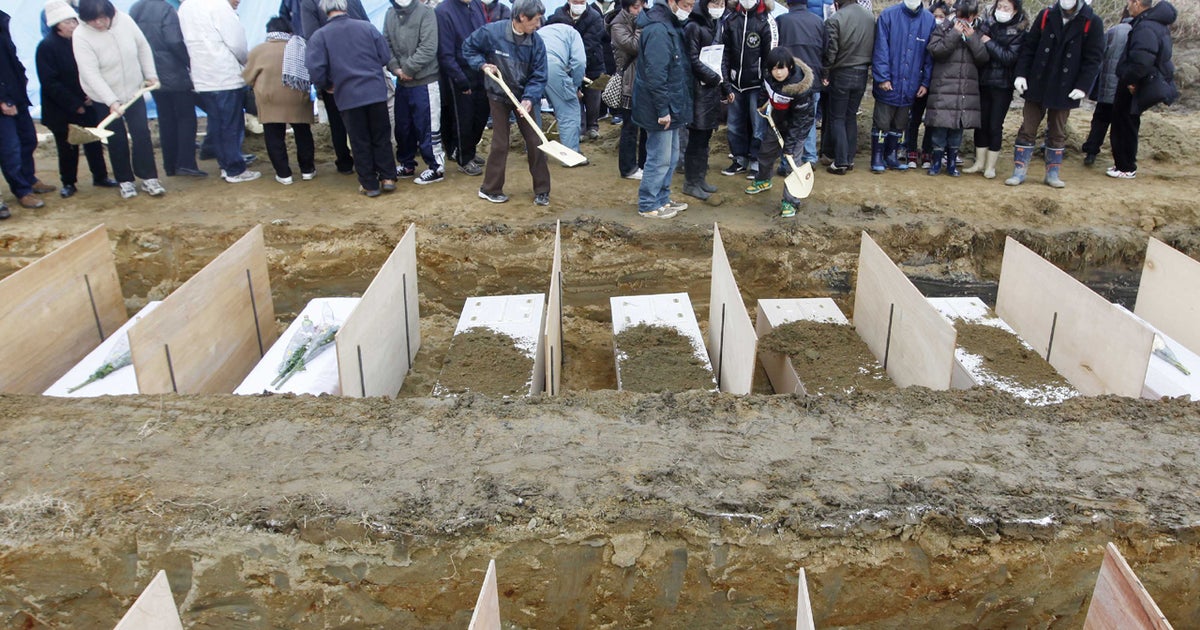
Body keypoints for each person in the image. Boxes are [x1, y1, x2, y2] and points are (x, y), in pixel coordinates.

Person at [463, 0, 552, 206]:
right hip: (498, 93)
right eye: (536, 20)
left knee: (535, 141)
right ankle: (490, 189)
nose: (538, 25)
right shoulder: (493, 33)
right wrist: (482, 64)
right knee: (500, 143)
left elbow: (539, 75)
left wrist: (529, 99)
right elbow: (468, 47)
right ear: (522, 17)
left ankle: (542, 190)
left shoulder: (536, 43)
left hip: (524, 96)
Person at [74, 0, 165, 200]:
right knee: (116, 138)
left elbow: (142, 47)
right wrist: (111, 101)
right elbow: (90, 73)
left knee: (141, 133)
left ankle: (149, 177)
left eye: (102, 18)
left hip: (133, 90)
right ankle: (125, 181)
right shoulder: (81, 36)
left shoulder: (125, 21)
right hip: (103, 96)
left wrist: (150, 74)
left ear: (110, 13)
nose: (98, 23)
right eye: (92, 20)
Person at [1007, 0, 1103, 188]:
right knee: (1028, 126)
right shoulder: (1046, 15)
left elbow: (1093, 58)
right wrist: (1021, 74)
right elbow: (1030, 47)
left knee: (1058, 130)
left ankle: (1052, 173)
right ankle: (1019, 171)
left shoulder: (1092, 21)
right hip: (1038, 80)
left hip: (1066, 85)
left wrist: (1083, 86)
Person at [308, 0, 397, 196]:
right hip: (374, 91)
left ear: (325, 10)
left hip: (348, 94)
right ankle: (388, 176)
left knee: (359, 140)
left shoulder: (320, 36)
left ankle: (369, 184)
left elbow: (315, 69)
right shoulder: (367, 27)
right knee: (381, 136)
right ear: (345, 6)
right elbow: (384, 56)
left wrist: (326, 85)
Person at [36, 2, 118, 201]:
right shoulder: (47, 47)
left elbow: (91, 69)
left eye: (74, 20)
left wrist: (92, 94)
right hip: (61, 108)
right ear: (58, 26)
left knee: (93, 141)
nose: (73, 25)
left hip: (88, 100)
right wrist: (75, 104)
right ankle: (68, 182)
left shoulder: (81, 41)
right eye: (68, 22)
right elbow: (50, 83)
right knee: (67, 146)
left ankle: (100, 176)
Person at [179, 0, 260, 184]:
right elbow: (237, 43)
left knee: (217, 123)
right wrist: (246, 63)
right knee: (231, 124)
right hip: (224, 75)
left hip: (202, 76)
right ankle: (234, 168)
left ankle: (226, 164)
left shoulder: (186, 7)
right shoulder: (219, 6)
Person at [631, 0, 694, 219]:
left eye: (692, 5)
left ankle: (663, 199)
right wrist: (662, 109)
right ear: (671, 2)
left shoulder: (671, 24)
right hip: (659, 106)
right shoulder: (658, 30)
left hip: (673, 103)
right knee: (659, 157)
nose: (689, 10)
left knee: (671, 155)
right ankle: (648, 203)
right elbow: (656, 75)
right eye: (685, 4)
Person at [130, 0, 204, 178]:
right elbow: (174, 40)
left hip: (151, 73)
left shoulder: (135, 9)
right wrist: (190, 63)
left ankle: (170, 165)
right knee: (186, 117)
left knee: (166, 119)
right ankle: (186, 162)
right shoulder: (165, 9)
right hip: (173, 71)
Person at [297, 0, 368, 175]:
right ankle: (366, 162)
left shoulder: (308, 3)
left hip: (335, 71)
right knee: (362, 118)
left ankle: (346, 162)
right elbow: (367, 24)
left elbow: (312, 38)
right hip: (360, 68)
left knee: (338, 121)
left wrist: (324, 78)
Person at [243, 17, 315, 185]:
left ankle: (284, 175)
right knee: (303, 133)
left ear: (269, 32)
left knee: (274, 136)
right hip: (297, 99)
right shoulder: (300, 47)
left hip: (270, 100)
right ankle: (307, 170)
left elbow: (247, 78)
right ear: (289, 31)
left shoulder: (258, 50)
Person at [1108, 0, 1175, 180]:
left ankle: (1125, 167)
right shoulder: (1155, 24)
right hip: (1141, 81)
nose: (1128, 5)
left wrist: (1131, 81)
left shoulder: (1145, 26)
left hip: (1134, 83)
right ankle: (1124, 164)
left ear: (1137, 3)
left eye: (1130, 1)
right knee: (1128, 122)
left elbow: (1142, 59)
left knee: (1124, 123)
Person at [746, 48, 815, 217]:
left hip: (798, 127)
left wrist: (789, 146)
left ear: (790, 67)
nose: (778, 72)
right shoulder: (769, 76)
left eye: (781, 68)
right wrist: (763, 103)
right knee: (766, 153)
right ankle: (763, 180)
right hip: (776, 121)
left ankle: (791, 201)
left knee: (792, 163)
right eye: (774, 69)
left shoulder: (800, 88)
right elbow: (765, 89)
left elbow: (799, 121)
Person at [1, 9, 57, 213]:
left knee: (28, 139)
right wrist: (2, 99)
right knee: (10, 149)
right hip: (3, 99)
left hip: (16, 93)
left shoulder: (2, 19)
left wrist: (22, 79)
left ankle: (29, 178)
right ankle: (22, 190)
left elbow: (10, 57)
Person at [384, 0, 446, 185]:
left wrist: (408, 69)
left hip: (425, 81)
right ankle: (406, 163)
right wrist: (395, 68)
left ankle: (436, 167)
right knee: (404, 125)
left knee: (427, 124)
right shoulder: (389, 13)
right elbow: (385, 44)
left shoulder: (426, 13)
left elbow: (428, 47)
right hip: (401, 81)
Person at [869, 0, 934, 173]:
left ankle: (892, 155)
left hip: (911, 82)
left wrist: (925, 82)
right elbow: (880, 48)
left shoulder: (928, 20)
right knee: (882, 119)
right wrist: (883, 77)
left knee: (901, 121)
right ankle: (877, 156)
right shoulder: (888, 15)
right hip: (890, 80)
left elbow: (929, 55)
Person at [924, 0, 987, 176]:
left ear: (975, 16)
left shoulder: (979, 31)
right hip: (944, 87)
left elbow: (983, 58)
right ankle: (936, 162)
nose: (964, 20)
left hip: (965, 89)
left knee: (957, 129)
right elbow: (935, 50)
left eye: (968, 17)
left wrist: (973, 37)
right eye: (961, 16)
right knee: (939, 128)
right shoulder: (944, 27)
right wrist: (954, 34)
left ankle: (952, 163)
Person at [964, 0, 1025, 178]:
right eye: (999, 7)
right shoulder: (987, 24)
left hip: (1003, 85)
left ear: (1014, 11)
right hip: (983, 81)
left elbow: (1009, 57)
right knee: (980, 123)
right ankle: (979, 162)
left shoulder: (1019, 31)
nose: (1001, 11)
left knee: (994, 125)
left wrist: (989, 43)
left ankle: (990, 166)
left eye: (1006, 8)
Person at [720, 0, 777, 179]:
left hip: (757, 84)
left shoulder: (767, 21)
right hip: (735, 84)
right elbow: (724, 53)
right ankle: (739, 159)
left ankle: (756, 162)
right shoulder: (730, 20)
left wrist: (765, 88)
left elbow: (772, 58)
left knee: (758, 125)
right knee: (735, 124)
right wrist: (726, 83)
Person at [681, 0, 728, 200]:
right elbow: (691, 59)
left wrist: (724, 85)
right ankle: (691, 182)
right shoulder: (693, 26)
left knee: (705, 138)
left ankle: (700, 179)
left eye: (721, 2)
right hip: (698, 89)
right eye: (715, 2)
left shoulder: (716, 24)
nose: (719, 6)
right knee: (697, 139)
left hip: (712, 90)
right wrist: (713, 77)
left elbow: (721, 57)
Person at [436, 0, 489, 176]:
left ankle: (469, 149)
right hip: (459, 70)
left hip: (480, 68)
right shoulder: (444, 11)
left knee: (481, 114)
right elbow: (445, 52)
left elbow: (484, 34)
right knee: (463, 118)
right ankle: (464, 158)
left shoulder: (475, 5)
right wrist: (460, 78)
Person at [821, 0, 873, 174]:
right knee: (850, 116)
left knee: (837, 117)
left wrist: (825, 73)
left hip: (842, 72)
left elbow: (831, 52)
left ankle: (841, 160)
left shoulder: (836, 19)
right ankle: (849, 159)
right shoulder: (869, 16)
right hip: (863, 72)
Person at [547, 0, 606, 141]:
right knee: (573, 96)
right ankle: (579, 128)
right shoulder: (557, 16)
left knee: (592, 96)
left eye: (581, 1)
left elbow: (591, 42)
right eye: (575, 1)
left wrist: (579, 62)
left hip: (592, 62)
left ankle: (593, 126)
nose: (578, 3)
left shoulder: (595, 17)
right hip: (566, 64)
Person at [777, 0, 825, 167]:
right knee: (808, 120)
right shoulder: (818, 21)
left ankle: (787, 162)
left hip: (789, 82)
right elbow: (824, 51)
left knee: (789, 122)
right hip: (813, 80)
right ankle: (809, 158)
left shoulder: (781, 21)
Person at [1080, 9, 1130, 168]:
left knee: (1100, 120)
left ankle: (1091, 152)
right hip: (1127, 87)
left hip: (1108, 85)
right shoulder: (1141, 31)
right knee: (1121, 123)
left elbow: (1099, 55)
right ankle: (1121, 159)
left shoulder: (1114, 31)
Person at [905, 0, 947, 168]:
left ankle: (928, 152)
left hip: (940, 84)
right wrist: (923, 81)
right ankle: (911, 151)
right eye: (935, 16)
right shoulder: (923, 29)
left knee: (931, 120)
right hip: (921, 80)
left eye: (941, 16)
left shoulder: (950, 34)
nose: (938, 19)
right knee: (914, 118)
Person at [609, 0, 647, 179]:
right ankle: (628, 168)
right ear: (626, 6)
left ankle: (644, 164)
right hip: (628, 83)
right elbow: (634, 45)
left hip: (643, 80)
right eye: (635, 7)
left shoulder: (636, 20)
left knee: (646, 126)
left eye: (642, 5)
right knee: (630, 127)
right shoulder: (617, 24)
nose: (640, 10)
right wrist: (642, 26)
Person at [538, 23, 587, 153]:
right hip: (552, 65)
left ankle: (535, 152)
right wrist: (575, 87)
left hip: (530, 64)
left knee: (532, 109)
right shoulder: (573, 33)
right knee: (568, 110)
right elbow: (579, 62)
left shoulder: (542, 31)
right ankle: (571, 153)